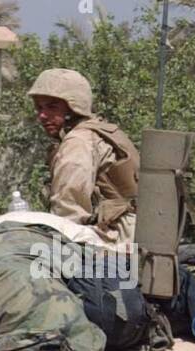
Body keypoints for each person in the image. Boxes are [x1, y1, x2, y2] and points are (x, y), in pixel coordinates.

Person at [28, 68, 140, 243]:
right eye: (39, 107)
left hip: (114, 238)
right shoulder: (98, 130)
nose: (42, 115)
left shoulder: (78, 142)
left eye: (52, 107)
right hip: (130, 233)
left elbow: (68, 212)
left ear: (74, 109)